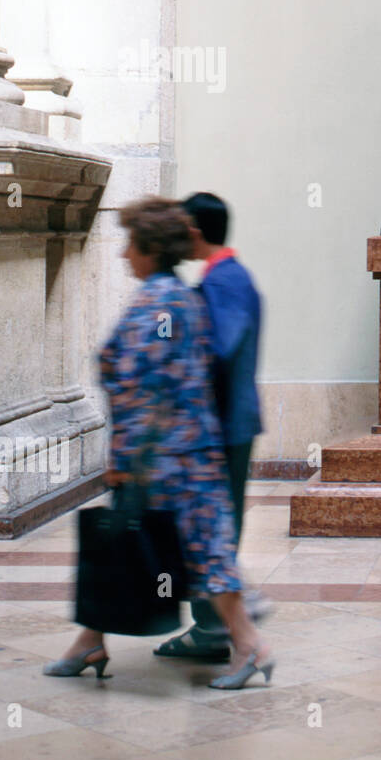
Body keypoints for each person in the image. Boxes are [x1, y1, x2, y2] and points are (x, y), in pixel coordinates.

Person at [44, 197, 274, 690]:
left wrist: (123, 459)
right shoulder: (181, 297)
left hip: (165, 461)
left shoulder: (159, 304)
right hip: (186, 453)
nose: (125, 255)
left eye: (130, 244)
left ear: (150, 247)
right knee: (176, 549)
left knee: (192, 551)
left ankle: (249, 644)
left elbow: (146, 389)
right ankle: (90, 639)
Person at [154, 191, 267, 662]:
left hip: (225, 426)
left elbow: (218, 349)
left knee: (213, 529)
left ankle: (221, 626)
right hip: (229, 423)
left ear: (195, 231)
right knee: (212, 527)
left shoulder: (225, 281)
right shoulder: (221, 279)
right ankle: (214, 623)